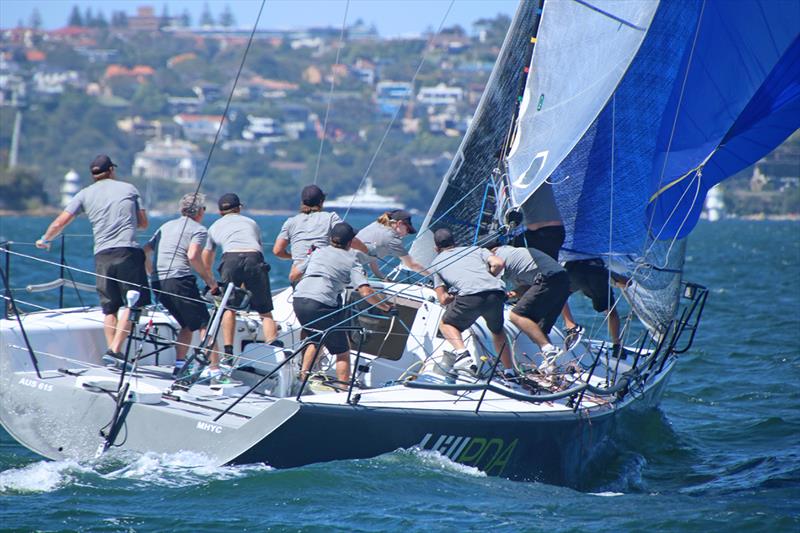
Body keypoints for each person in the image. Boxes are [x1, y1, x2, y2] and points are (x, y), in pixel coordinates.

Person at [36, 155, 150, 366]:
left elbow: (61, 221)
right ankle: (115, 350)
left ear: (93, 175)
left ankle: (113, 355)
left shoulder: (83, 194)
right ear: (112, 170)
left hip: (102, 256)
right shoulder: (129, 189)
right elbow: (143, 224)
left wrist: (45, 239)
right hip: (127, 252)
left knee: (110, 307)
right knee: (134, 304)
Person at [290, 222, 391, 386]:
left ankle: (302, 380)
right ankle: (344, 391)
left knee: (315, 339)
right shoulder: (352, 259)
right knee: (342, 351)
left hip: (299, 300)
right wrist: (387, 307)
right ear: (351, 242)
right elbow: (366, 292)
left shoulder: (317, 252)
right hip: (321, 304)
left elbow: (293, 275)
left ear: (331, 239)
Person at [144, 193, 219, 377]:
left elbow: (144, 250)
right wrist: (209, 280)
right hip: (179, 280)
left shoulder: (165, 226)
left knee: (186, 324)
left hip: (158, 283)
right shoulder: (199, 230)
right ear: (200, 211)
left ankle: (179, 365)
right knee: (205, 325)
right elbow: (193, 256)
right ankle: (215, 371)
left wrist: (150, 271)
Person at [201, 193, 277, 363]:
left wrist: (210, 280)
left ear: (220, 211)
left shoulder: (213, 227)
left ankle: (228, 353)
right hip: (254, 257)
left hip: (230, 260)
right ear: (239, 208)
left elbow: (207, 256)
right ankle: (274, 350)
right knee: (265, 311)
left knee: (229, 307)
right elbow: (258, 250)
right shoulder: (252, 223)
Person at [431, 228, 513, 379]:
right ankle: (509, 372)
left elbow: (442, 299)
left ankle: (463, 355)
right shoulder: (476, 249)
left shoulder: (436, 263)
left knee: (446, 324)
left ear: (436, 248)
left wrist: (451, 297)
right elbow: (498, 263)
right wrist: (488, 278)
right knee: (497, 331)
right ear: (455, 243)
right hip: (496, 293)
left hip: (470, 298)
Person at [492, 244, 570, 371]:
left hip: (547, 277)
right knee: (538, 329)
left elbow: (490, 275)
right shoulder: (519, 258)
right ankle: (551, 368)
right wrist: (509, 295)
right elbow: (528, 288)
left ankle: (548, 348)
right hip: (563, 281)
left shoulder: (497, 256)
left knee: (516, 315)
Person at [273, 184, 368, 281]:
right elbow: (348, 237)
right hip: (323, 274)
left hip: (299, 277)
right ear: (321, 202)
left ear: (302, 202)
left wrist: (295, 257)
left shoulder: (290, 222)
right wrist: (368, 250)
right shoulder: (331, 218)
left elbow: (277, 251)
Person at [563, 258, 631, 358]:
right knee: (611, 311)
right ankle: (617, 346)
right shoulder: (607, 263)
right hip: (595, 274)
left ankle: (571, 326)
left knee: (560, 296)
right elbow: (628, 282)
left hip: (573, 271)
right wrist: (614, 281)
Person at [356, 209, 427, 279]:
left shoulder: (377, 224)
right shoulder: (392, 239)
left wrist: (380, 276)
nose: (407, 234)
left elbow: (372, 256)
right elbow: (412, 265)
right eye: (407, 229)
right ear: (399, 223)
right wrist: (434, 276)